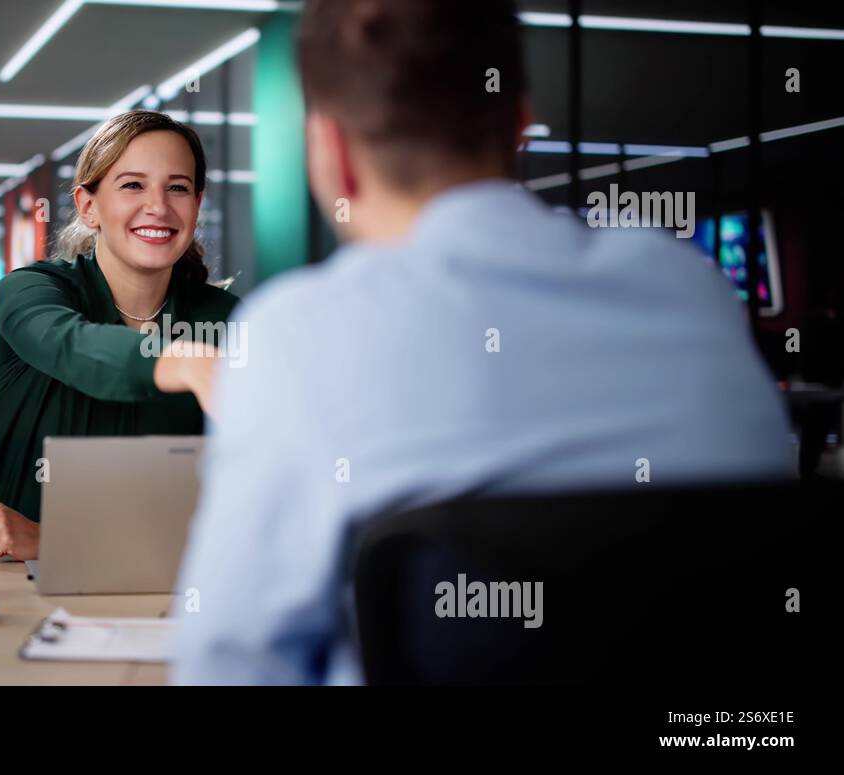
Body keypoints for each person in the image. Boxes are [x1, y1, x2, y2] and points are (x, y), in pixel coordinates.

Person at [172, 0, 795, 684]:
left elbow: (229, 664)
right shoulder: (693, 291)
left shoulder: (297, 333)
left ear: (331, 154)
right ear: (522, 124)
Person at [0, 110, 236, 559]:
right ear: (87, 205)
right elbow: (72, 345)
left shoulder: (226, 319)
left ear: (197, 204)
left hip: (150, 579)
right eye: (133, 185)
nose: (158, 206)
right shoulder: (30, 291)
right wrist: (183, 362)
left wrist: (54, 542)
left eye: (177, 187)